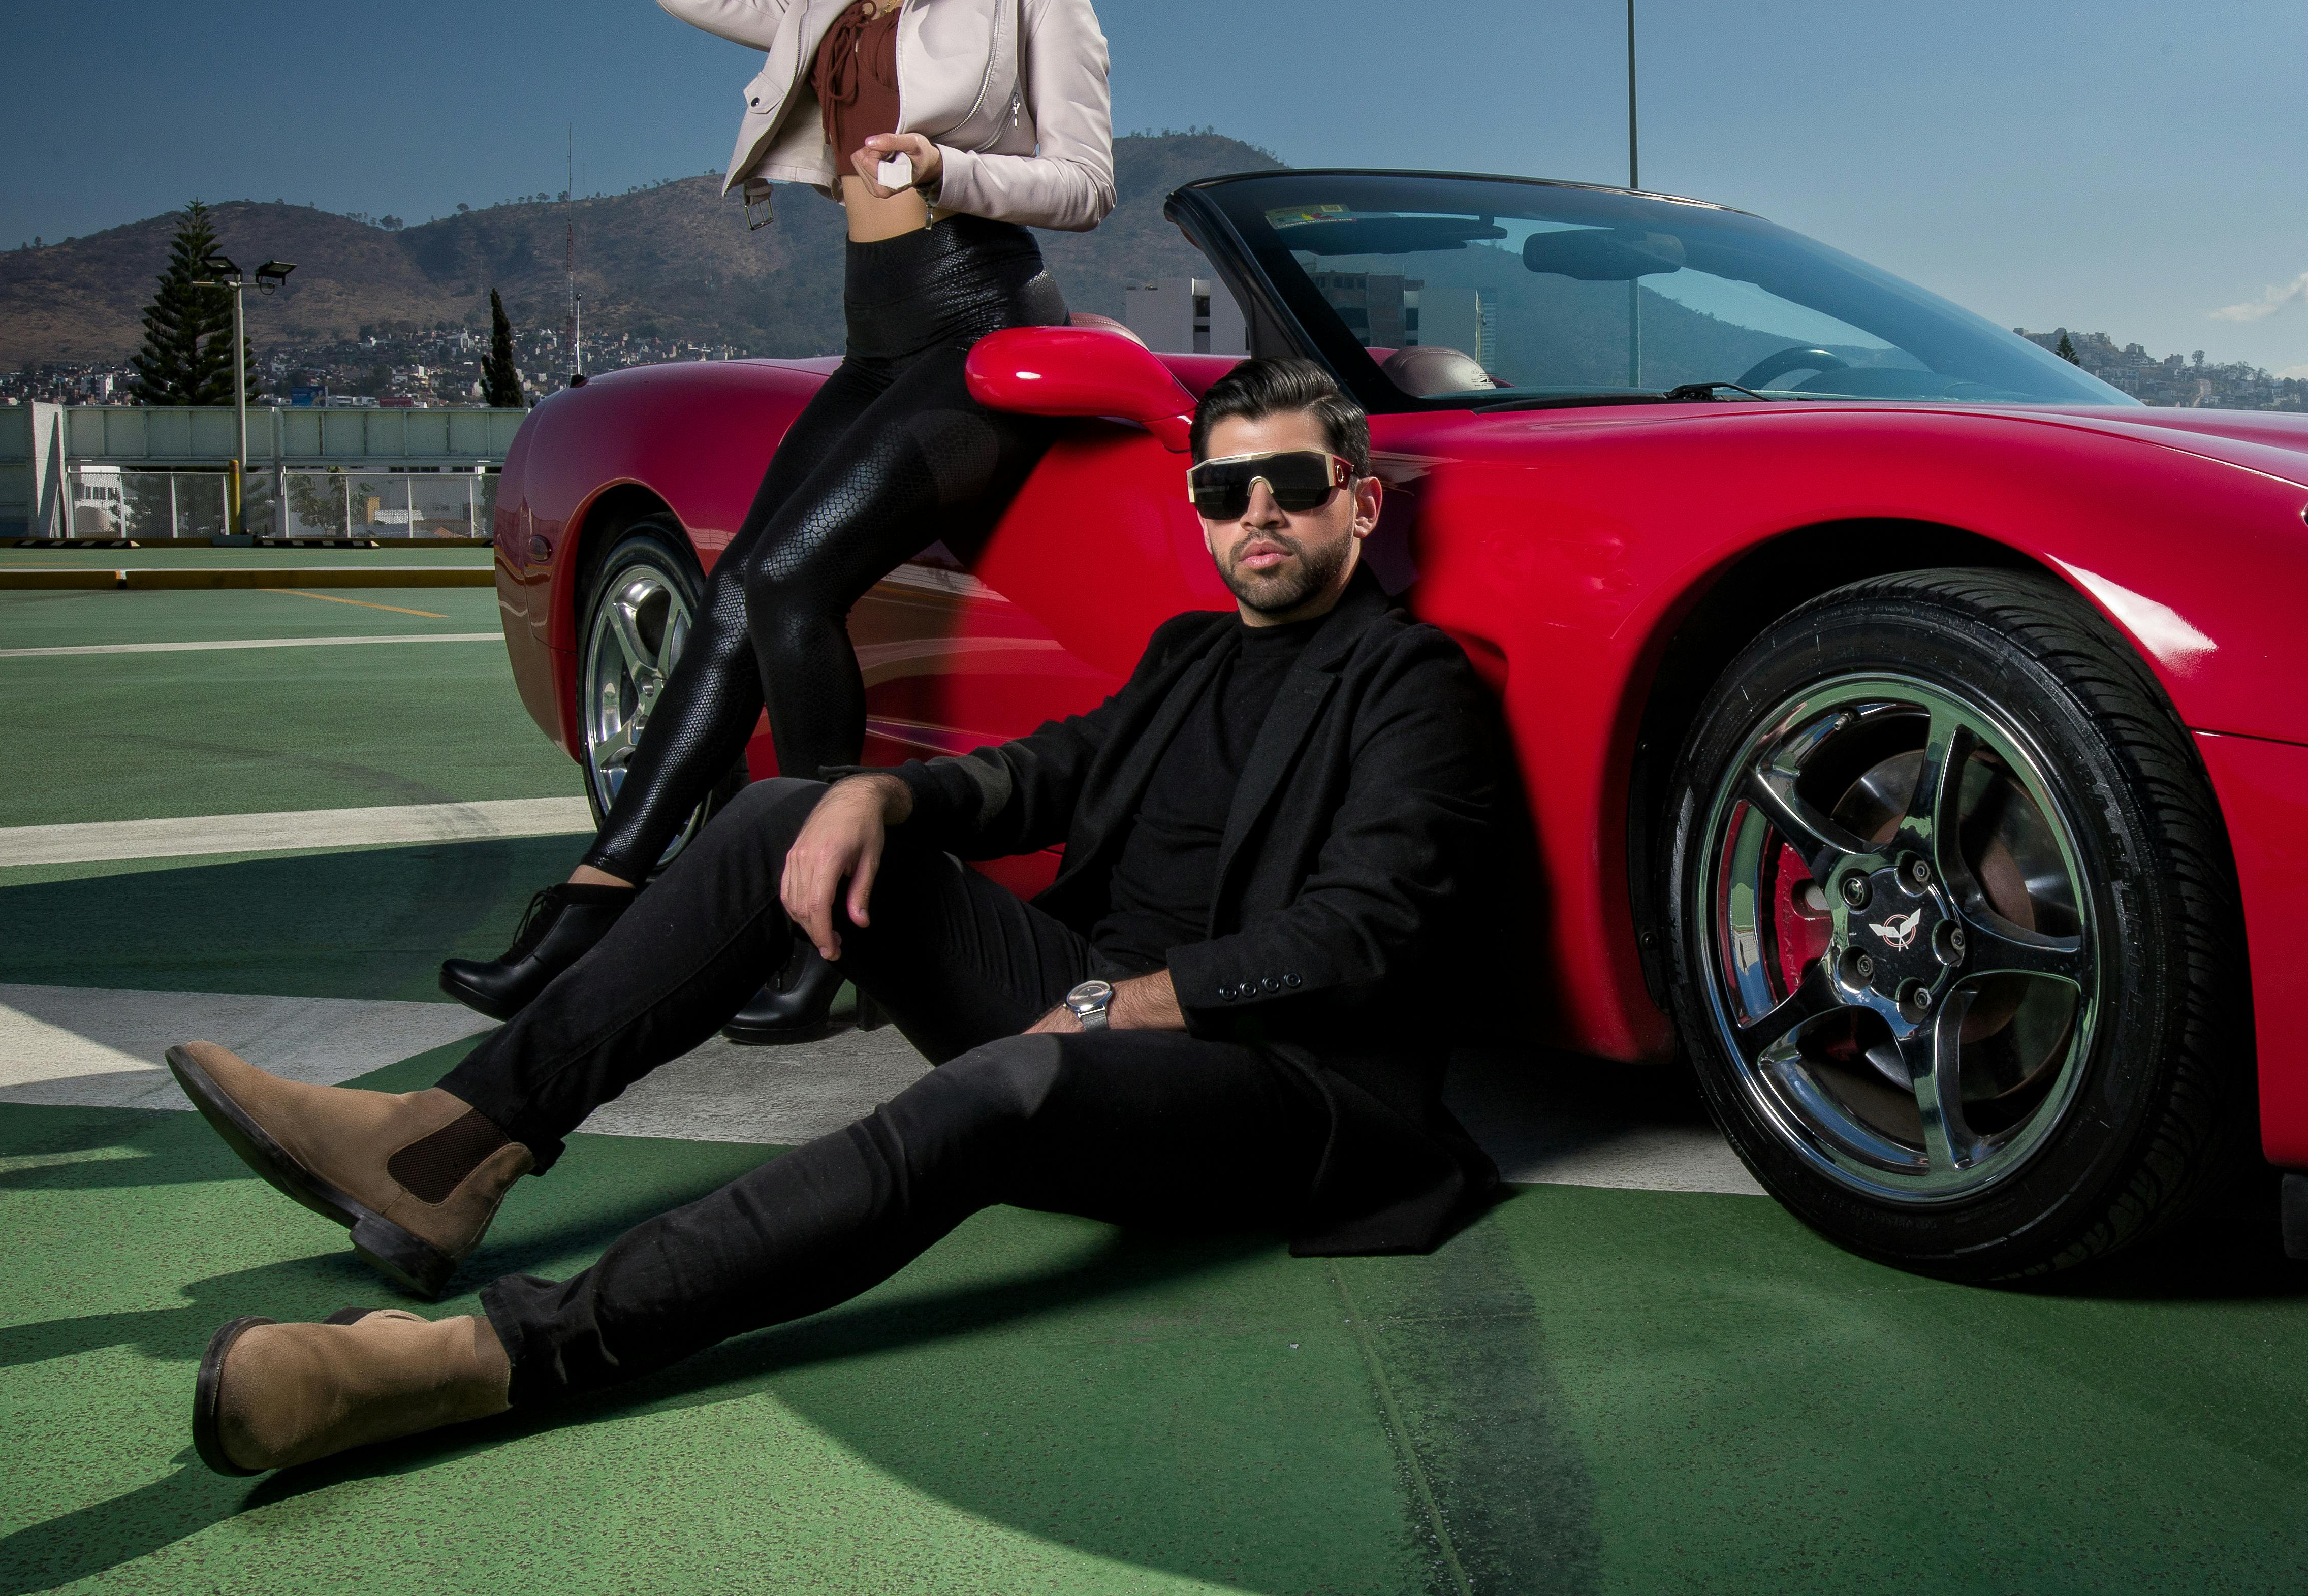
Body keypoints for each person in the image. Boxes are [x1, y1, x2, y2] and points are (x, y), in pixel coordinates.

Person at [173, 360, 1508, 1476]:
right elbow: (1046, 770)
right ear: (1203, 513)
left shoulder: (1413, 683)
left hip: (1264, 1085)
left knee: (1006, 1087)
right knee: (781, 816)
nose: (1258, 513)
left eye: (1294, 486)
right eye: (1228, 489)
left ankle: (489, 1359)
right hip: (1091, 996)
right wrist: (883, 797)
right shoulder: (1191, 654)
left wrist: (1122, 1006)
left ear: (1360, 501)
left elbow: (1360, 935)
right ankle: (444, 1153)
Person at [445, 0, 1117, 1044]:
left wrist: (946, 164)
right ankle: (606, 887)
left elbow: (1085, 180)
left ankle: (819, 928)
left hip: (980, 332)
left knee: (793, 583)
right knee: (740, 587)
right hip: (876, 340)